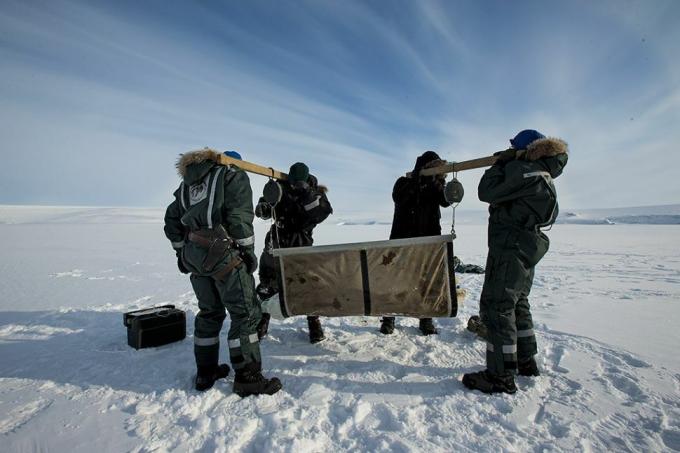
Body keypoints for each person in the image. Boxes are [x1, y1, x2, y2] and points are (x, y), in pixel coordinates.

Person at [164, 148, 282, 397]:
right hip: (223, 256)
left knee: (210, 312)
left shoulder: (188, 184)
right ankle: (248, 377)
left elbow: (171, 220)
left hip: (195, 256)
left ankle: (205, 372)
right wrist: (248, 253)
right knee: (246, 314)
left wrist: (181, 252)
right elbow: (239, 218)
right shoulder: (232, 176)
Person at [462, 130, 568, 394]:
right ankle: (525, 361)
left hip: (510, 246)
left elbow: (487, 191)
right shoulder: (542, 173)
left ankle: (500, 376)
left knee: (499, 307)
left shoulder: (524, 170)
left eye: (513, 147)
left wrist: (500, 164)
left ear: (525, 148)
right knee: (518, 303)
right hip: (525, 246)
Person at [254, 162, 333, 343]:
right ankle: (263, 320)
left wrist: (305, 192)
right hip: (276, 238)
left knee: (306, 284)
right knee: (268, 280)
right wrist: (263, 209)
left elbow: (321, 213)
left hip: (301, 242)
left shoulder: (315, 192)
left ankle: (314, 323)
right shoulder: (279, 188)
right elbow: (264, 206)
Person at [381, 151, 452, 336]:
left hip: (428, 241)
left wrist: (441, 183)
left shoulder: (436, 185)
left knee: (425, 281)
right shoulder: (403, 182)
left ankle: (425, 318)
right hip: (402, 240)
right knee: (395, 281)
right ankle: (389, 318)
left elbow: (446, 201)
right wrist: (422, 182)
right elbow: (401, 198)